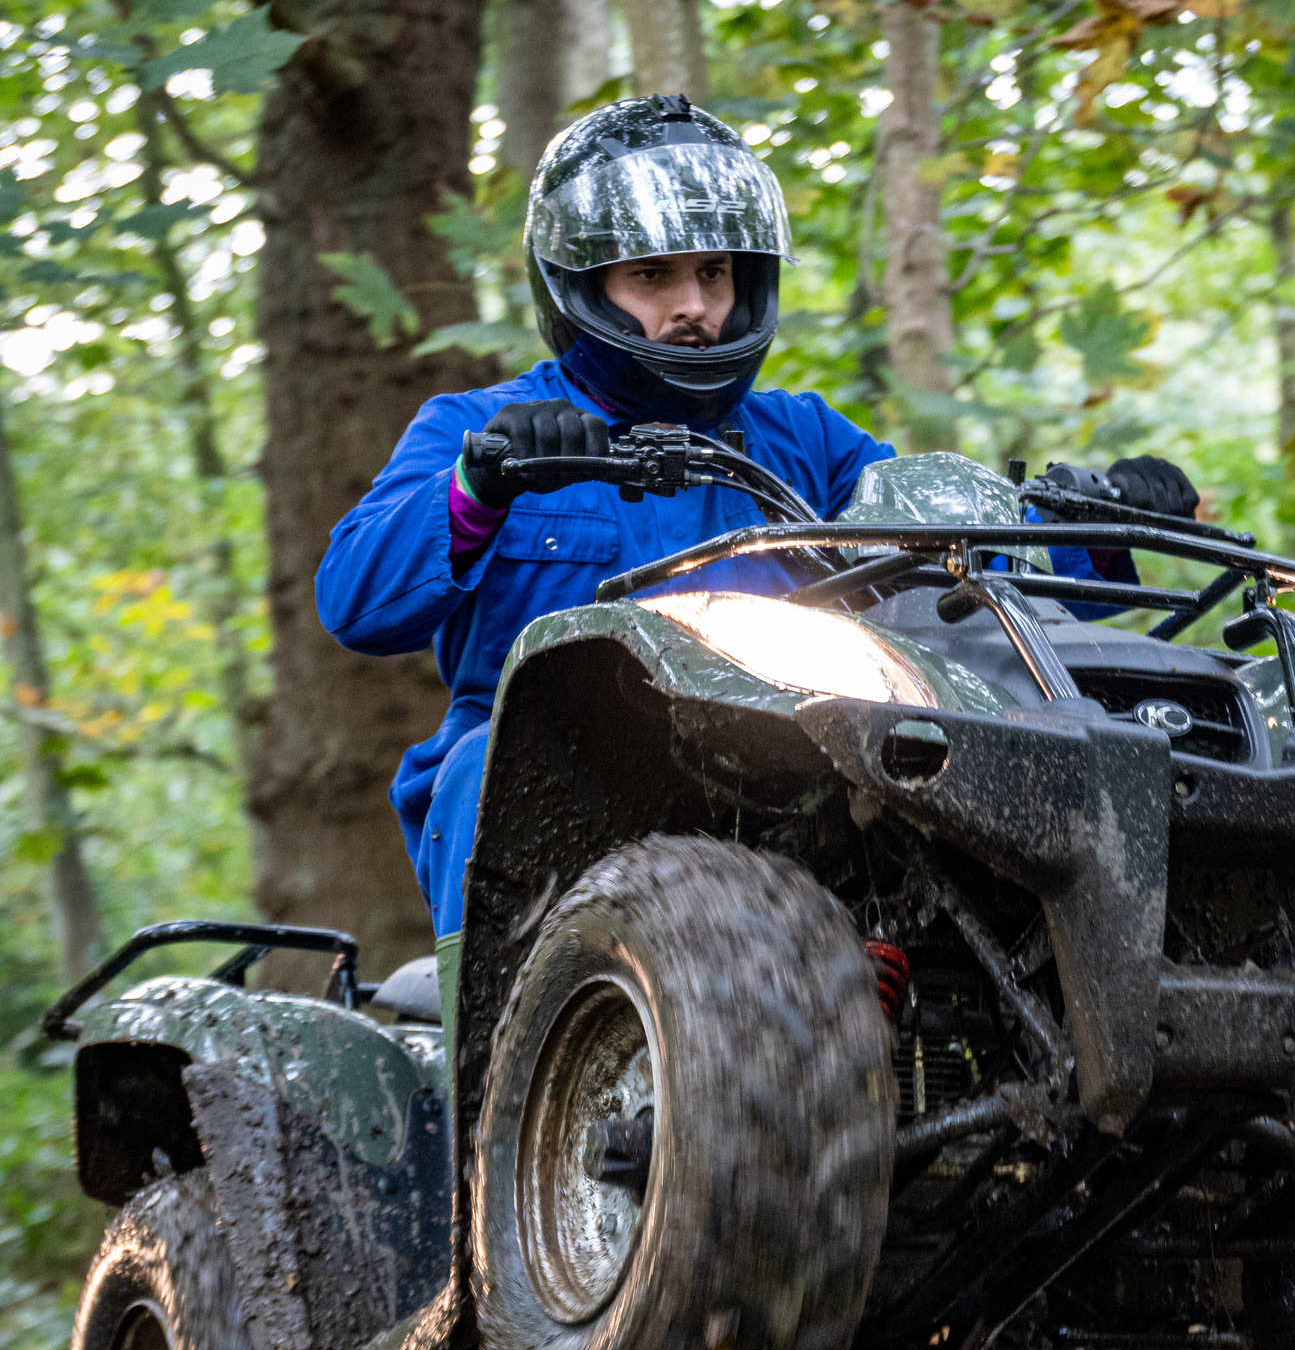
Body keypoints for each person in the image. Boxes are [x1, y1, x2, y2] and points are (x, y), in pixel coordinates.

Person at [315, 95, 1198, 937]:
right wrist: (478, 485)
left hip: (786, 755)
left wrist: (1092, 529)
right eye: (652, 276)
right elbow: (356, 602)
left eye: (714, 273)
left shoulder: (808, 439)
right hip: (547, 770)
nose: (694, 307)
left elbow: (961, 567)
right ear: (581, 286)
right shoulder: (479, 427)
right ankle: (515, 1028)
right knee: (486, 760)